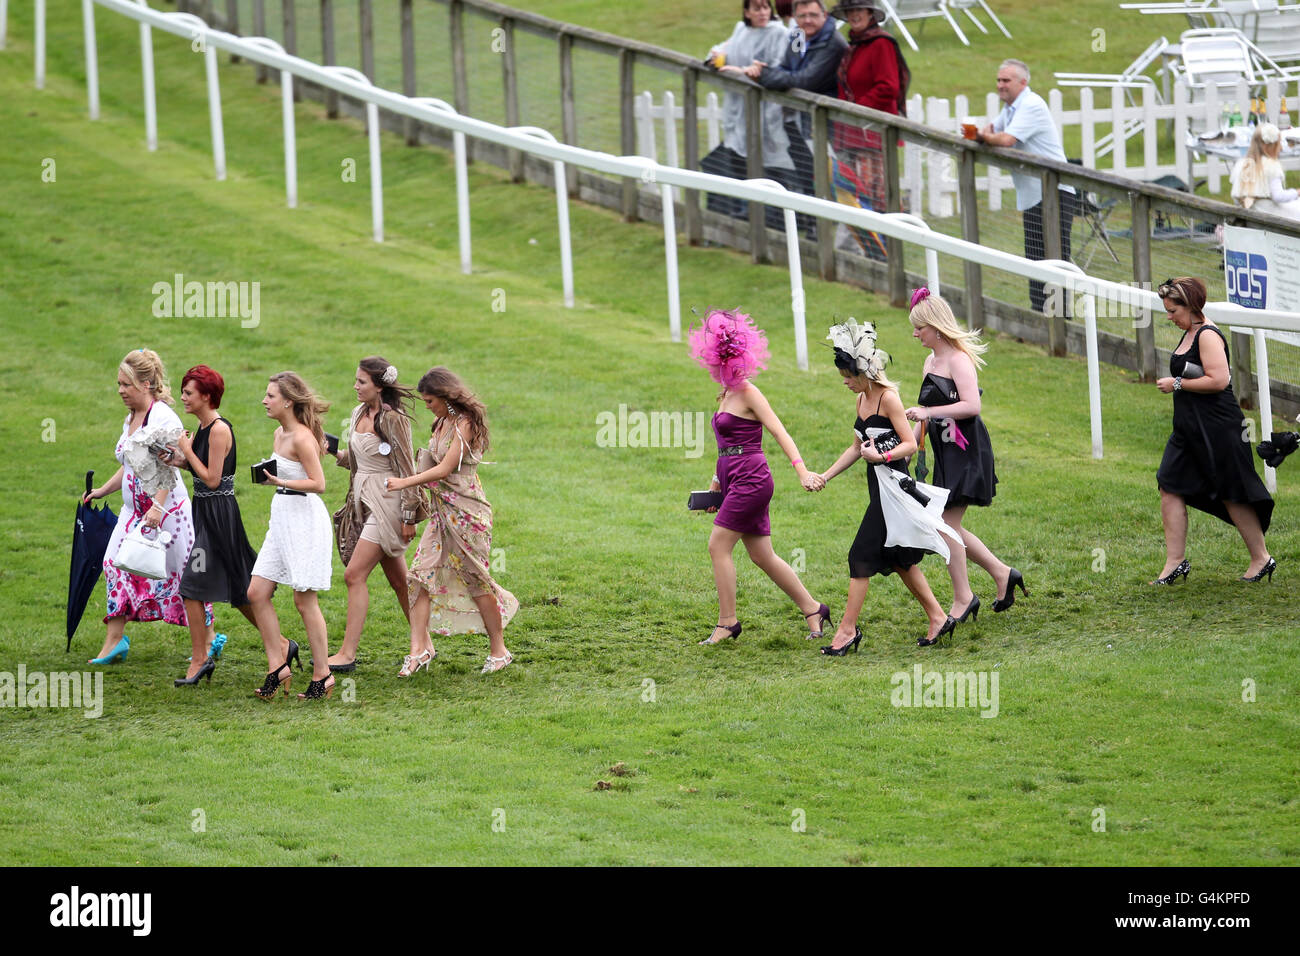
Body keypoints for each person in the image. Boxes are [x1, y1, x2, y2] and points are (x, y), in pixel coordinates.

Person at [811, 319, 959, 651]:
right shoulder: (862, 400)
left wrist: (881, 455)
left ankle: (847, 630)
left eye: (849, 376)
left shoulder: (888, 398)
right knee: (898, 557)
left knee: (859, 555)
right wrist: (825, 476)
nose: (846, 383)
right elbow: (855, 447)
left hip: (894, 488)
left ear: (865, 371)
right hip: (876, 487)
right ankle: (938, 618)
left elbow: (909, 443)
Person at [689, 308, 833, 645]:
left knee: (717, 546)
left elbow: (780, 432)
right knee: (761, 555)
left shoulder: (749, 393)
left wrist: (802, 471)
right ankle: (813, 609)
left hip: (752, 480)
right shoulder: (725, 393)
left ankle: (728, 623)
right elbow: (726, 445)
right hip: (734, 478)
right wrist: (715, 481)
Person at [385, 368, 519, 675]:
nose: (427, 406)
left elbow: (446, 468)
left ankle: (499, 651)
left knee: (477, 581)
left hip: (468, 513)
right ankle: (418, 650)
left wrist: (405, 482)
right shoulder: (440, 421)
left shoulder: (465, 423)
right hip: (441, 513)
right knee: (418, 575)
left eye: (430, 400)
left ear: (446, 397)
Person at [904, 289, 1027, 619]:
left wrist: (928, 414)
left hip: (965, 449)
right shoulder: (929, 361)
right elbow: (927, 411)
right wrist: (911, 445)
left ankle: (964, 597)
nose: (915, 334)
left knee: (944, 524)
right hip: (944, 451)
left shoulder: (959, 360)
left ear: (936, 326)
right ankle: (1002, 574)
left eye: (920, 328)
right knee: (947, 524)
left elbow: (972, 406)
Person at [83, 350, 208, 665]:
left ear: (147, 383)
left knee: (184, 576)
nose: (121, 390)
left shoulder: (164, 418)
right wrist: (102, 491)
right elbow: (130, 464)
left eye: (127, 384)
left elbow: (168, 468)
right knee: (113, 565)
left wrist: (158, 508)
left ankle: (209, 638)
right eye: (119, 384)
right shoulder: (130, 418)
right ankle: (114, 642)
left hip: (168, 513)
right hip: (133, 510)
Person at [1152, 277, 1275, 584]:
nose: (1169, 317)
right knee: (1169, 484)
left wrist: (1177, 383)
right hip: (1188, 431)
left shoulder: (1207, 334)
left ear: (1191, 306)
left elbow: (1219, 380)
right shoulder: (1190, 330)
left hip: (1218, 428)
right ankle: (1174, 563)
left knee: (1232, 492)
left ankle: (1261, 558)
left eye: (1173, 311)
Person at [325, 357, 425, 672]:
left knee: (354, 575)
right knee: (400, 582)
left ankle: (347, 654)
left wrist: (409, 516)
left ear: (379, 386)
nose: (355, 386)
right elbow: (358, 462)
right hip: (363, 502)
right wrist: (332, 452)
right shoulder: (358, 414)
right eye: (356, 380)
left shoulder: (393, 419)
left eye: (361, 382)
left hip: (389, 504)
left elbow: (406, 468)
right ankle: (425, 646)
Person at [167, 365, 261, 686]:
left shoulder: (219, 430)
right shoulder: (202, 428)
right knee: (240, 592)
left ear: (206, 396)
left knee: (191, 586)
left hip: (220, 515)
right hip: (205, 512)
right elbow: (201, 469)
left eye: (188, 393)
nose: (183, 397)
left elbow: (212, 477)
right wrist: (178, 459)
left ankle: (199, 660)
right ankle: (281, 645)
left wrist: (187, 451)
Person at [247, 372, 335, 701]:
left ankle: (322, 674)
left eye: (270, 396)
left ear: (287, 401)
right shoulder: (278, 433)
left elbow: (319, 483)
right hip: (281, 518)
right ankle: (277, 666)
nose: (264, 400)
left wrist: (278, 482)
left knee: (304, 600)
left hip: (305, 521)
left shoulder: (301, 437)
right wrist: (272, 478)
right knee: (256, 592)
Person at [977, 59, 1076, 314]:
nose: (1000, 85)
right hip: (1034, 195)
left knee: (1055, 259)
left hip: (1054, 193)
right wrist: (988, 135)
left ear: (1023, 83)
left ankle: (1059, 321)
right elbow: (992, 131)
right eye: (998, 80)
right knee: (1034, 258)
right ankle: (1039, 316)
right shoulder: (1011, 109)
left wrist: (986, 137)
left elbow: (1005, 139)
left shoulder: (1031, 105)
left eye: (1006, 81)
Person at [749, 0, 849, 231]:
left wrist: (765, 75)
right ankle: (814, 225)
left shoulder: (832, 43)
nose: (808, 20)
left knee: (828, 175)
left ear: (824, 15)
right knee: (807, 173)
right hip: (798, 117)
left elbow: (804, 81)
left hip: (825, 120)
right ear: (795, 16)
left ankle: (827, 226)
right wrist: (773, 74)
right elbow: (787, 68)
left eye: (813, 15)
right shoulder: (797, 36)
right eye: (802, 15)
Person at [703, 1, 793, 226]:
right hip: (739, 109)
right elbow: (722, 49)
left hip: (768, 111)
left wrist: (741, 72)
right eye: (756, 8)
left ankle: (776, 217)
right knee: (739, 160)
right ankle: (750, 211)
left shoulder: (779, 33)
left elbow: (777, 67)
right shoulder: (741, 30)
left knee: (771, 164)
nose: (762, 13)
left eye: (765, 7)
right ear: (747, 12)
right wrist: (715, 57)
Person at [830, 1, 909, 216]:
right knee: (851, 193)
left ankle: (885, 242)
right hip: (847, 131)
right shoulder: (853, 45)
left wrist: (856, 111)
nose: (854, 15)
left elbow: (888, 86)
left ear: (869, 13)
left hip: (871, 133)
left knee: (871, 194)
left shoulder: (878, 43)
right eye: (850, 11)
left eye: (859, 10)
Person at [1230, 122, 1300, 220]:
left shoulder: (1241, 164)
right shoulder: (1271, 166)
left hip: (1252, 215)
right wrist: (1297, 192)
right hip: (1270, 216)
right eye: (1278, 144)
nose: (1281, 148)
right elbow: (1278, 196)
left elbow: (1237, 200)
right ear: (1268, 147)